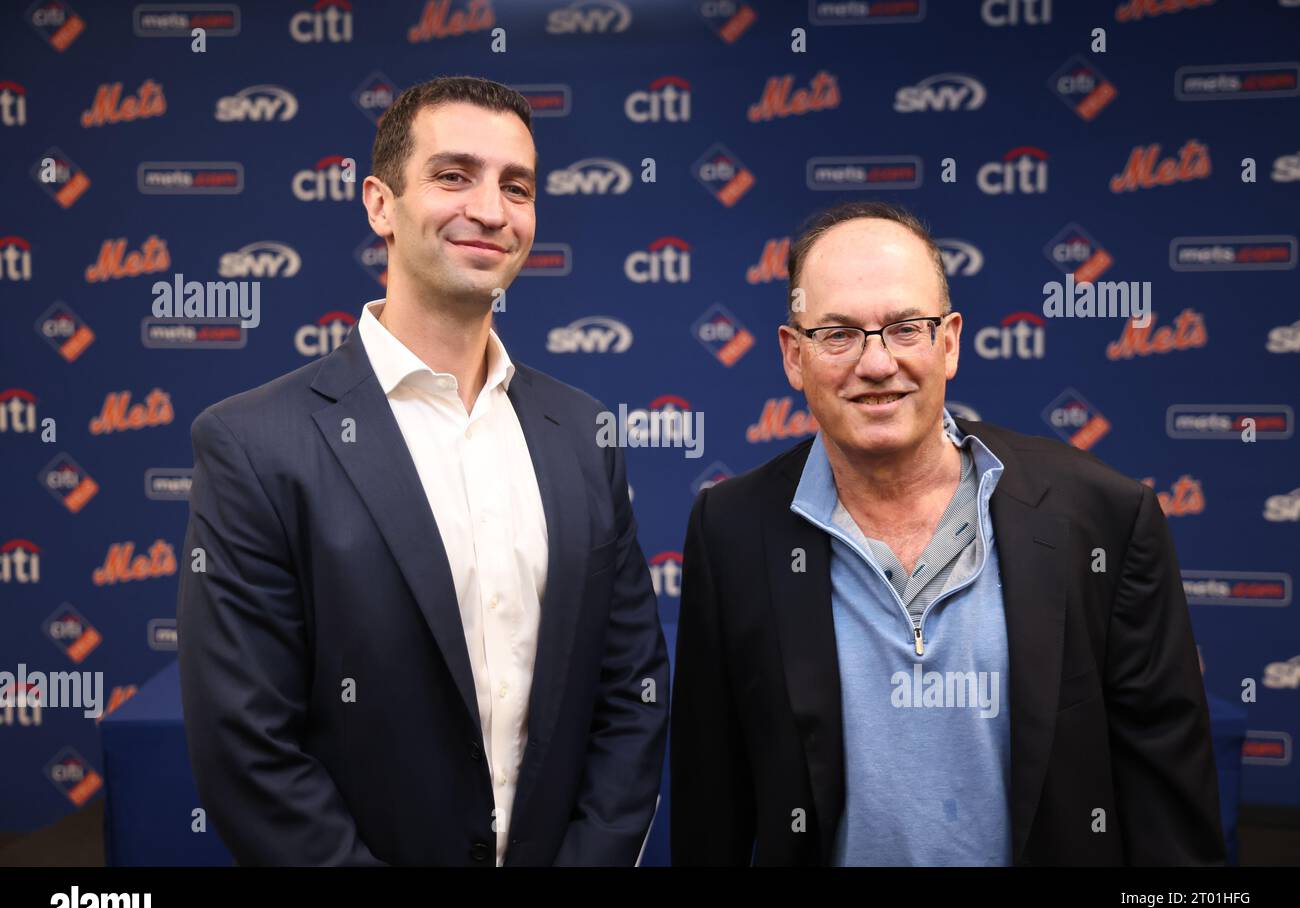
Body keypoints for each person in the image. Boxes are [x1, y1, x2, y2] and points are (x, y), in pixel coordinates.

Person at [177, 76, 668, 866]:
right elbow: (247, 746)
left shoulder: (581, 433)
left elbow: (630, 695)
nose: (490, 209)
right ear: (380, 204)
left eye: (516, 186)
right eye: (453, 176)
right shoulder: (254, 444)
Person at [670, 200, 1224, 866]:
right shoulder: (732, 531)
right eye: (839, 334)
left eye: (906, 328)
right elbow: (711, 806)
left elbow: (1168, 805)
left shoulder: (1101, 517)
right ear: (794, 355)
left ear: (950, 341)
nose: (876, 364)